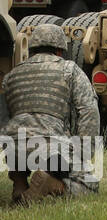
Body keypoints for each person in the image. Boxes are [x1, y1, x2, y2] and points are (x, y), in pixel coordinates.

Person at [1, 23, 100, 204]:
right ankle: (47, 182)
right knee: (90, 186)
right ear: (60, 51)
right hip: (49, 147)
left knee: (18, 142)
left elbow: (3, 117)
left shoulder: (11, 75)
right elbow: (88, 111)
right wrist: (83, 154)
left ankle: (20, 184)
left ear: (31, 49)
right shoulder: (69, 70)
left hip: (12, 148)